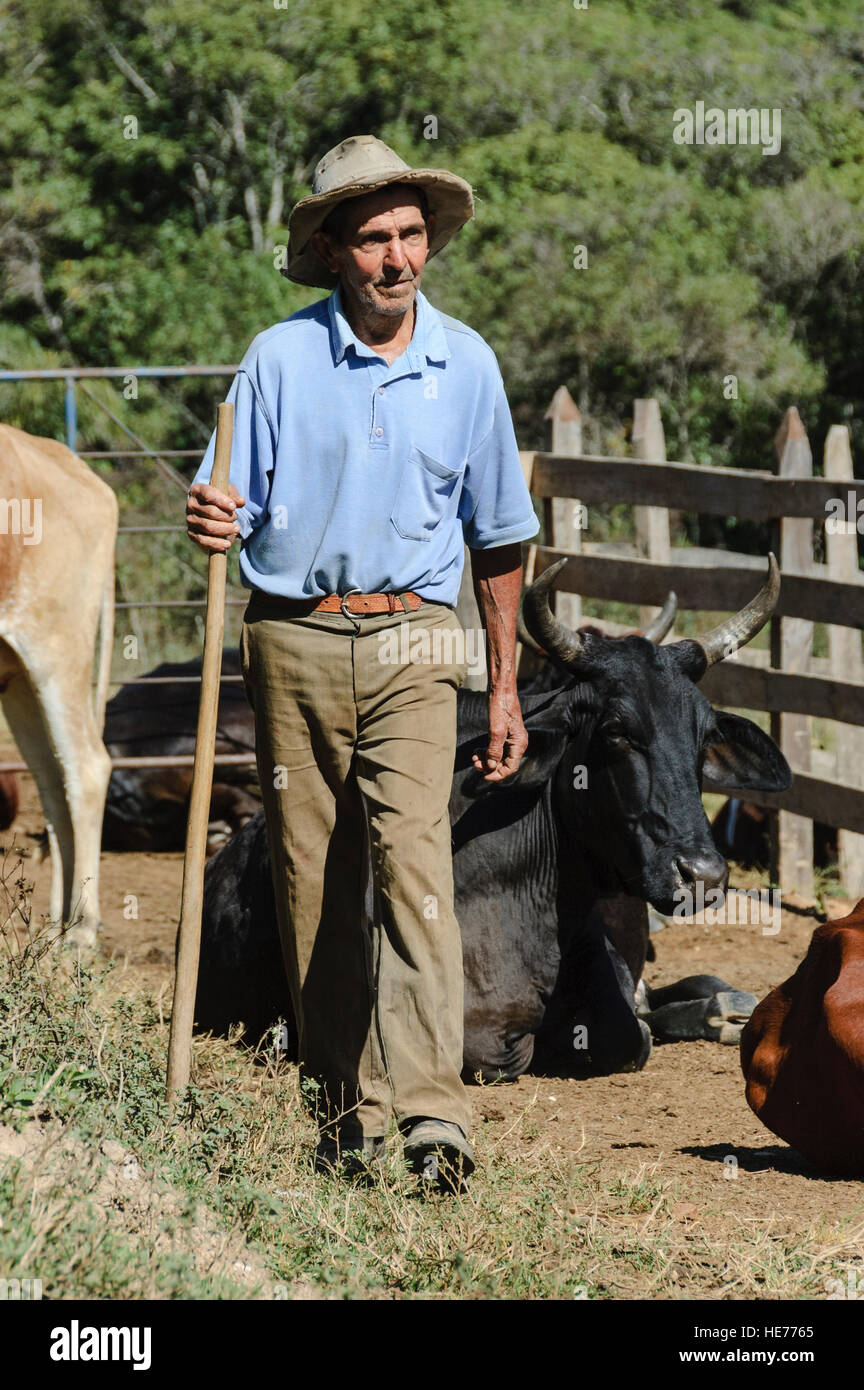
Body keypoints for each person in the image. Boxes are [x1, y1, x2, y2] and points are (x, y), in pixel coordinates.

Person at [186, 135, 539, 1191]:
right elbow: (224, 501)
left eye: (412, 235)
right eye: (376, 238)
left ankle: (434, 1113)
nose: (398, 258)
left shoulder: (466, 364)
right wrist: (210, 512)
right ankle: (346, 1112)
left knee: (416, 866)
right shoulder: (278, 360)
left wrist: (507, 682)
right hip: (291, 633)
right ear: (335, 250)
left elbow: (501, 536)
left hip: (420, 636)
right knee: (316, 884)